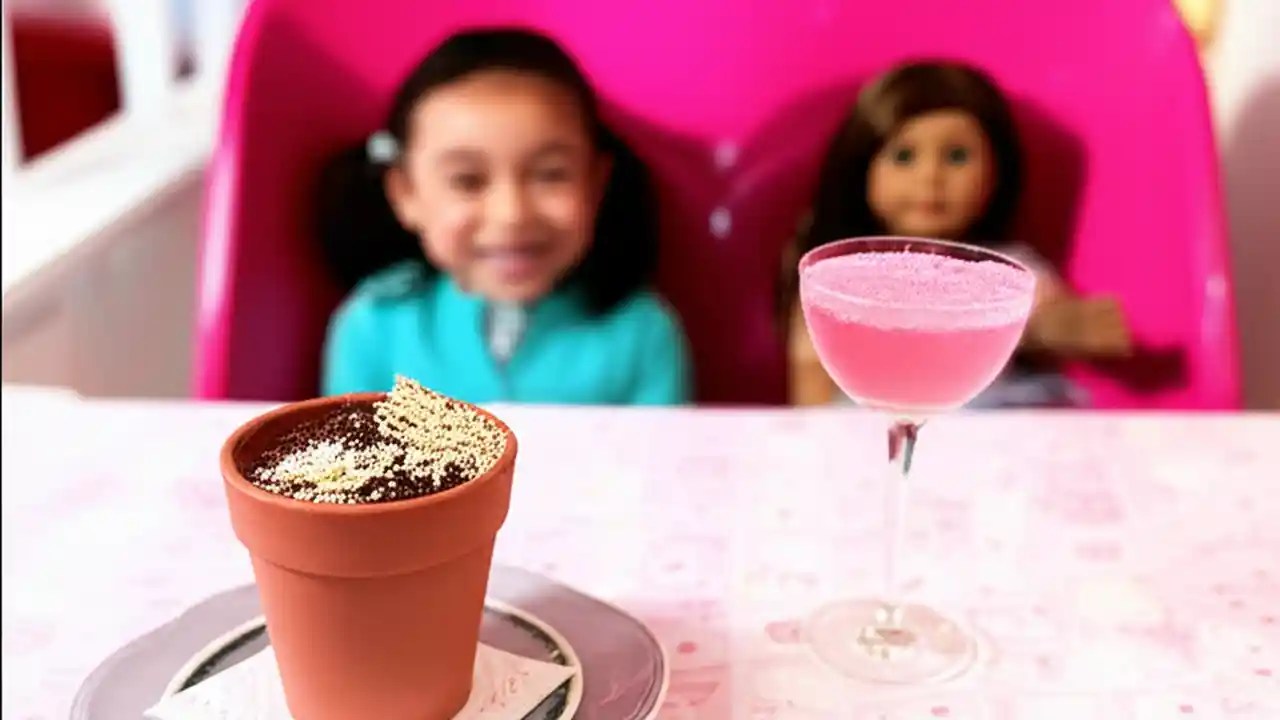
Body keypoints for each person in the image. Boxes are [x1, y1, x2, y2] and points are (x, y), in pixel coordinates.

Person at [317, 28, 691, 405]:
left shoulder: (643, 332)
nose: (512, 214)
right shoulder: (371, 325)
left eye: (550, 174)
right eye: (468, 180)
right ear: (406, 194)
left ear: (596, 184)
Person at [784, 60, 1132, 407]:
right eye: (904, 157)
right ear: (862, 169)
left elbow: (1061, 320)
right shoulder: (836, 279)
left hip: (986, 430)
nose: (930, 177)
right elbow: (812, 388)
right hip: (873, 431)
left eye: (957, 156)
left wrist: (1053, 329)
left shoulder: (1010, 274)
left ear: (996, 172)